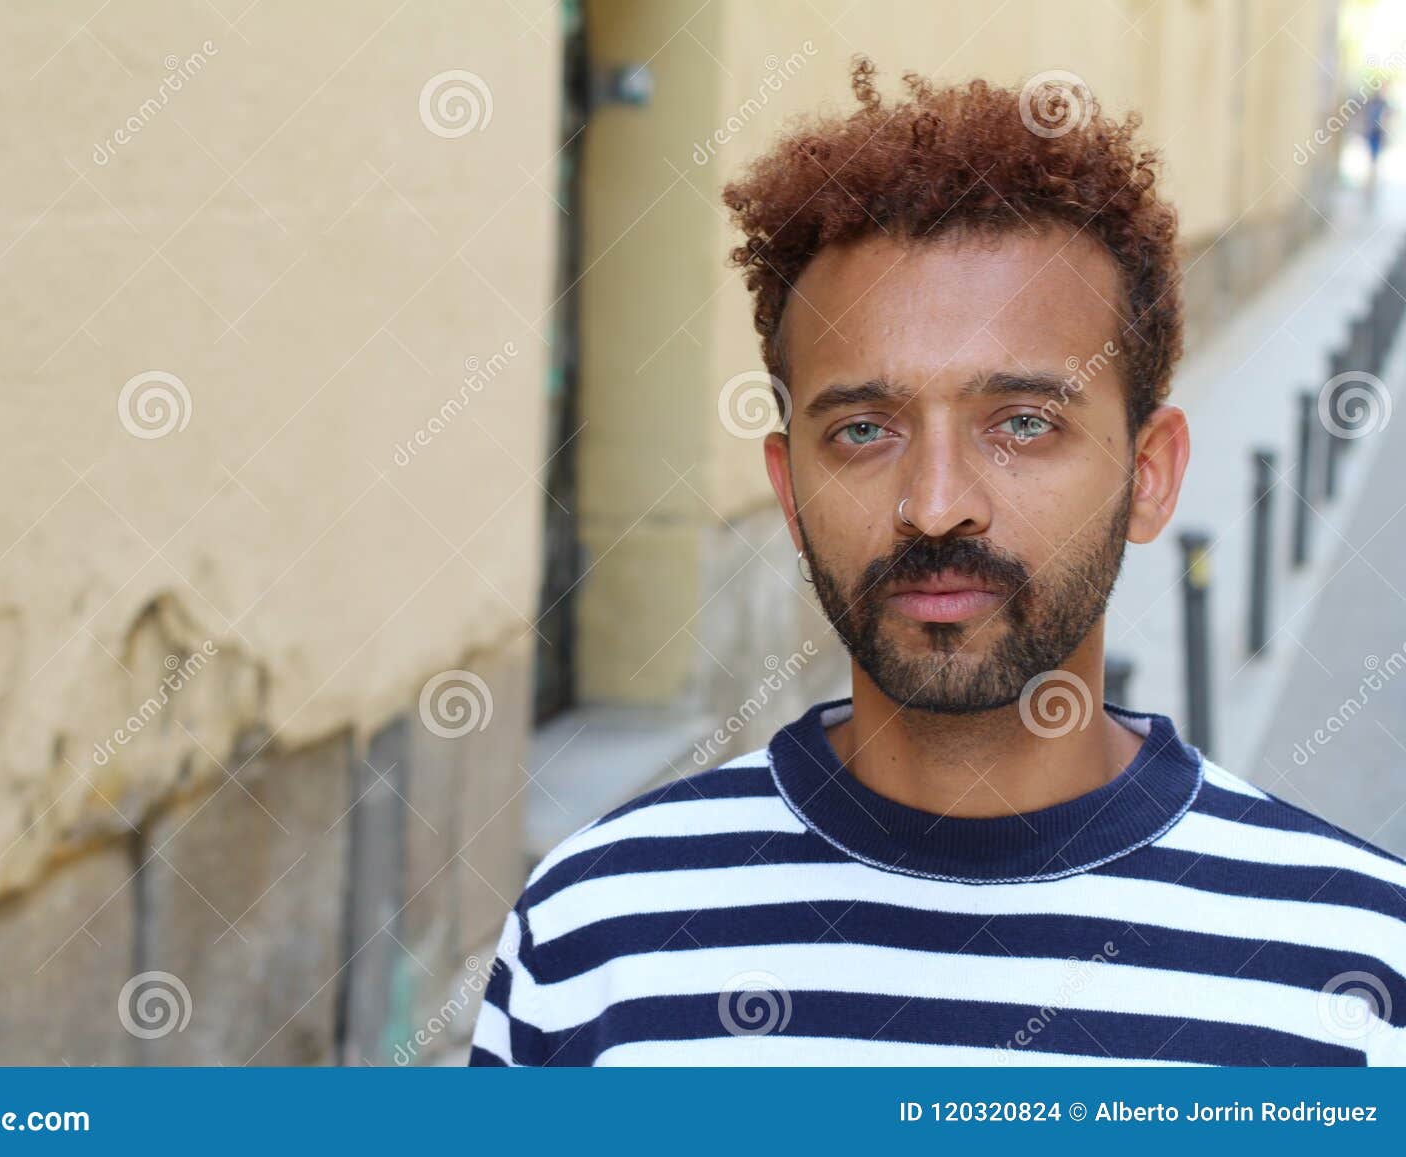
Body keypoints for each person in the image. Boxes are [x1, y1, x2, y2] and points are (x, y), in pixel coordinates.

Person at [467, 61, 1406, 1066]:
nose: (936, 502)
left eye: (1024, 422)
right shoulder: (595, 941)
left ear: (1149, 474)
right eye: (864, 429)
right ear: (788, 489)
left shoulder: (1358, 972)